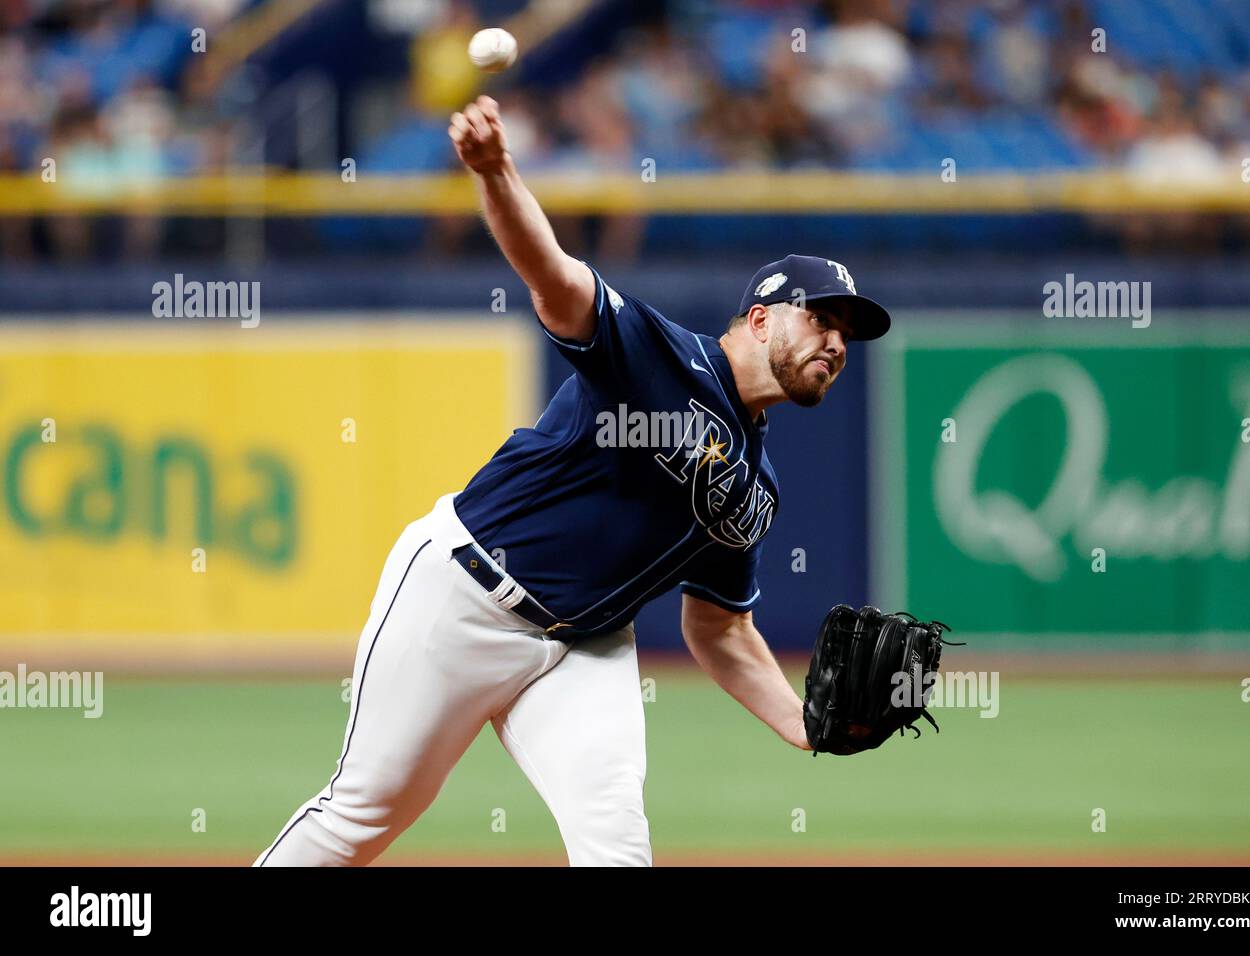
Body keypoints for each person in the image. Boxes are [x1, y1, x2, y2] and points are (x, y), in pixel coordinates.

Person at [255, 95, 891, 867]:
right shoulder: (662, 356)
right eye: (821, 320)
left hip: (582, 649)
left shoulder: (756, 487)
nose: (836, 341)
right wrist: (496, 173)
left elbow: (718, 627)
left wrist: (801, 722)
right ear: (761, 319)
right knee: (366, 814)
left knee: (617, 846)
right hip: (463, 596)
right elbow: (554, 280)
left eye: (846, 334)